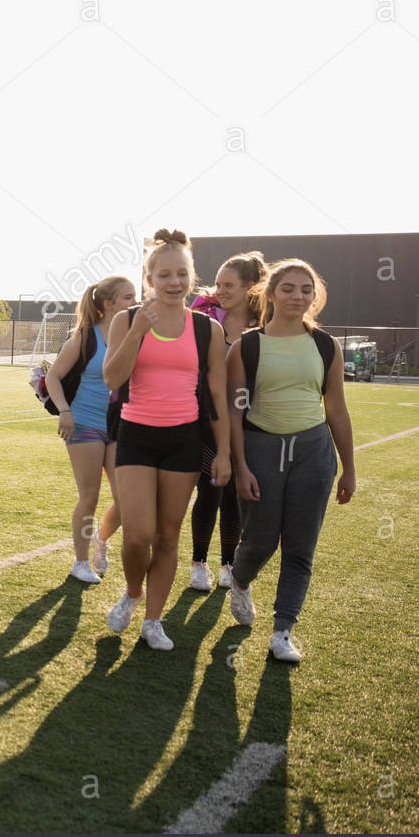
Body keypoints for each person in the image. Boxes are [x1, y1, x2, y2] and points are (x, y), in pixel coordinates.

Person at [102, 229, 231, 651]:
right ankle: (133, 593)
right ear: (150, 278)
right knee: (137, 536)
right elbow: (112, 378)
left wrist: (225, 452)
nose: (173, 282)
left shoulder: (207, 328)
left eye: (181, 274)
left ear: (191, 278)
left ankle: (153, 620)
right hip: (136, 436)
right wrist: (138, 330)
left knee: (167, 536)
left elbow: (216, 394)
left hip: (184, 440)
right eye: (164, 275)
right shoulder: (127, 319)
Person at [225, 259, 355, 663]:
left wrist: (348, 467)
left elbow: (336, 409)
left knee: (300, 548)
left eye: (306, 290)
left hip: (313, 452)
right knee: (260, 540)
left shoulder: (325, 345)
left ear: (314, 297)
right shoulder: (246, 346)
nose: (298, 296)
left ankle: (283, 631)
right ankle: (241, 582)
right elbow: (234, 412)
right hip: (261, 451)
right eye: (288, 288)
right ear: (270, 294)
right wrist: (241, 466)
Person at [43, 276, 134, 584]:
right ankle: (80, 563)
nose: (134, 302)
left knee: (126, 500)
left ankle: (101, 538)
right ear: (108, 304)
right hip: (83, 422)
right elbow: (53, 377)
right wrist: (65, 412)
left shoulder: (134, 335)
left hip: (119, 423)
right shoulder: (85, 337)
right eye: (127, 297)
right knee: (90, 496)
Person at [187, 252, 265, 591]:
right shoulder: (204, 320)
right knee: (210, 489)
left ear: (251, 287)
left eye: (228, 285)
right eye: (217, 284)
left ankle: (229, 564)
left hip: (249, 422)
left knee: (235, 497)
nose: (220, 290)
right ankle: (198, 562)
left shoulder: (266, 326)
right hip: (207, 418)